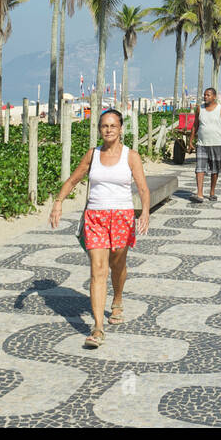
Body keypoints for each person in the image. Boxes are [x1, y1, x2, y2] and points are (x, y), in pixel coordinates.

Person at [49, 109, 151, 348]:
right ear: (99, 129)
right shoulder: (92, 155)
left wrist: (144, 211)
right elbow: (74, 179)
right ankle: (97, 327)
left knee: (117, 262)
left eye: (113, 126)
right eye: (104, 126)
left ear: (121, 129)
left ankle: (117, 298)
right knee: (98, 269)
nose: (108, 130)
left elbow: (143, 188)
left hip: (122, 217)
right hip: (95, 216)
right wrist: (58, 202)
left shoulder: (130, 156)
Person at [189, 87, 221, 201]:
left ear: (214, 97)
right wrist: (191, 140)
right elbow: (195, 125)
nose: (205, 97)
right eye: (205, 95)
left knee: (215, 169)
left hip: (216, 143)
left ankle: (212, 192)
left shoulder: (220, 109)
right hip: (201, 144)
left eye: (208, 95)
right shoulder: (199, 109)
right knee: (199, 168)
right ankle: (200, 194)